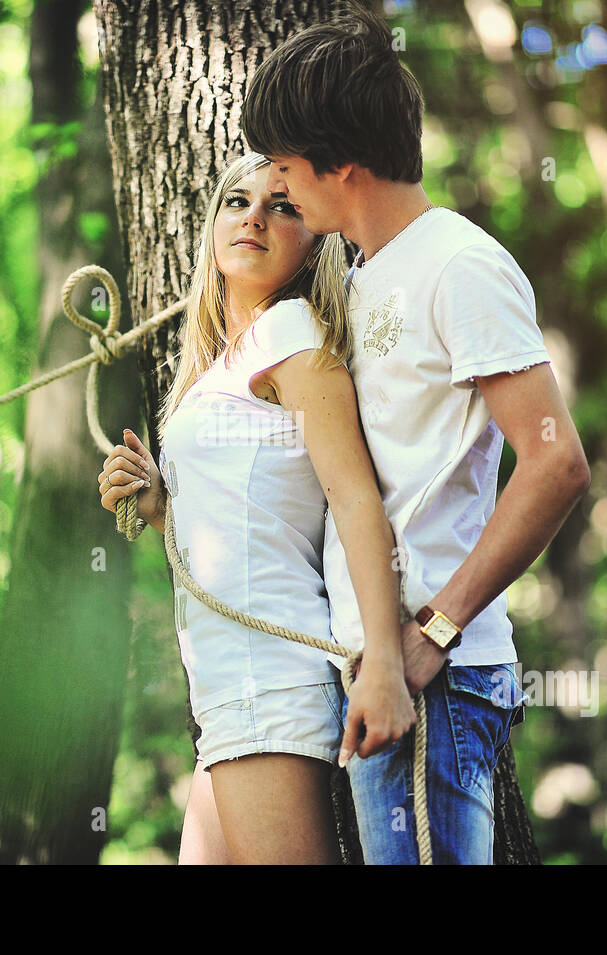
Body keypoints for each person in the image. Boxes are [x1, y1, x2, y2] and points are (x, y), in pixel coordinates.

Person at [239, 3, 591, 864]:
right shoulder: (360, 276)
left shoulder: (459, 266)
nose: (276, 182)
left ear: (342, 164)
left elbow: (556, 463)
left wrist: (433, 631)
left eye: (284, 162)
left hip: (435, 679)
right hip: (378, 670)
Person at [97, 151, 415, 864]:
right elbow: (252, 521)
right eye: (237, 202)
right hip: (227, 691)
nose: (254, 218)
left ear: (315, 239)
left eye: (283, 205)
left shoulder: (291, 331)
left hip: (267, 679)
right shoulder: (222, 364)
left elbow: (354, 496)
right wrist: (159, 507)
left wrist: (383, 662)